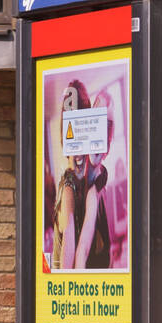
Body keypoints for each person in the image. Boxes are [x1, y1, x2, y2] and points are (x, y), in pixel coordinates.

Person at [51, 81, 112, 270]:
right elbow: (74, 252)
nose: (78, 154)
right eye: (72, 142)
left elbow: (106, 99)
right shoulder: (69, 190)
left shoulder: (93, 187)